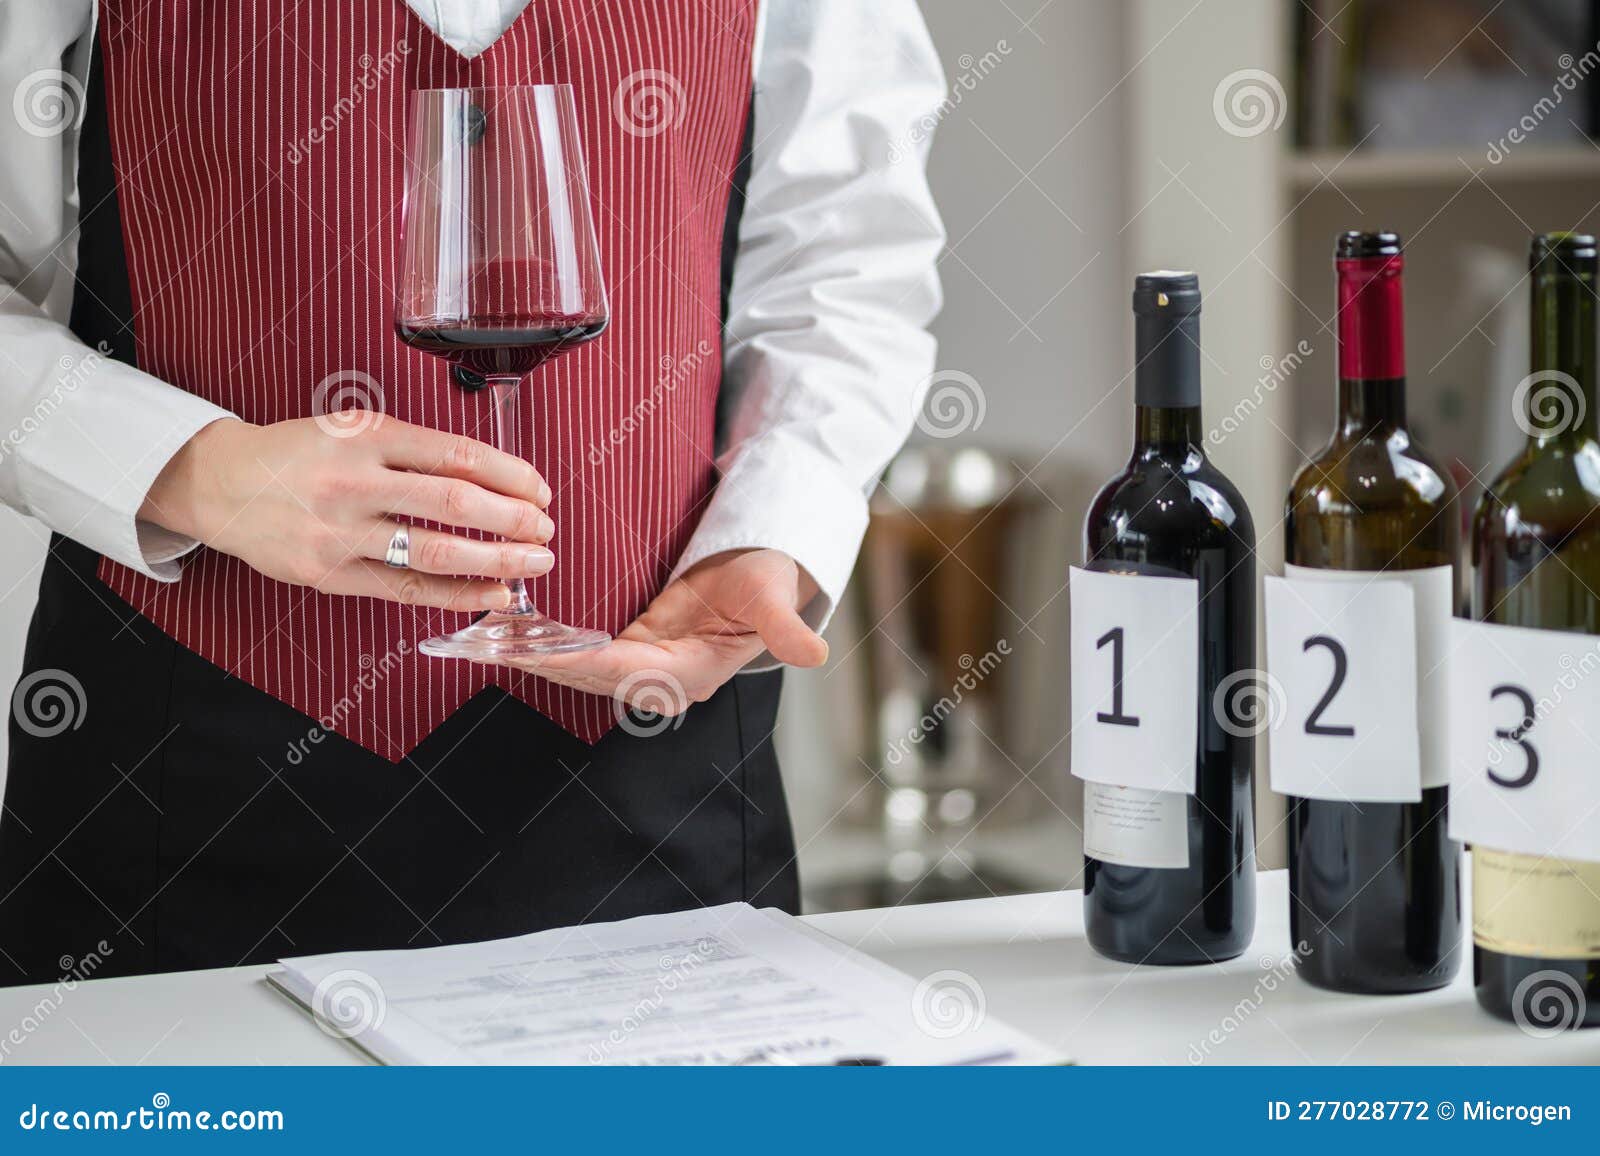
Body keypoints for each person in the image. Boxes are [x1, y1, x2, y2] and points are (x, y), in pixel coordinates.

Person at [0, 0, 944, 984]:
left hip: (658, 791)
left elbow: (847, 263)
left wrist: (768, 532)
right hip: (180, 801)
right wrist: (195, 470)